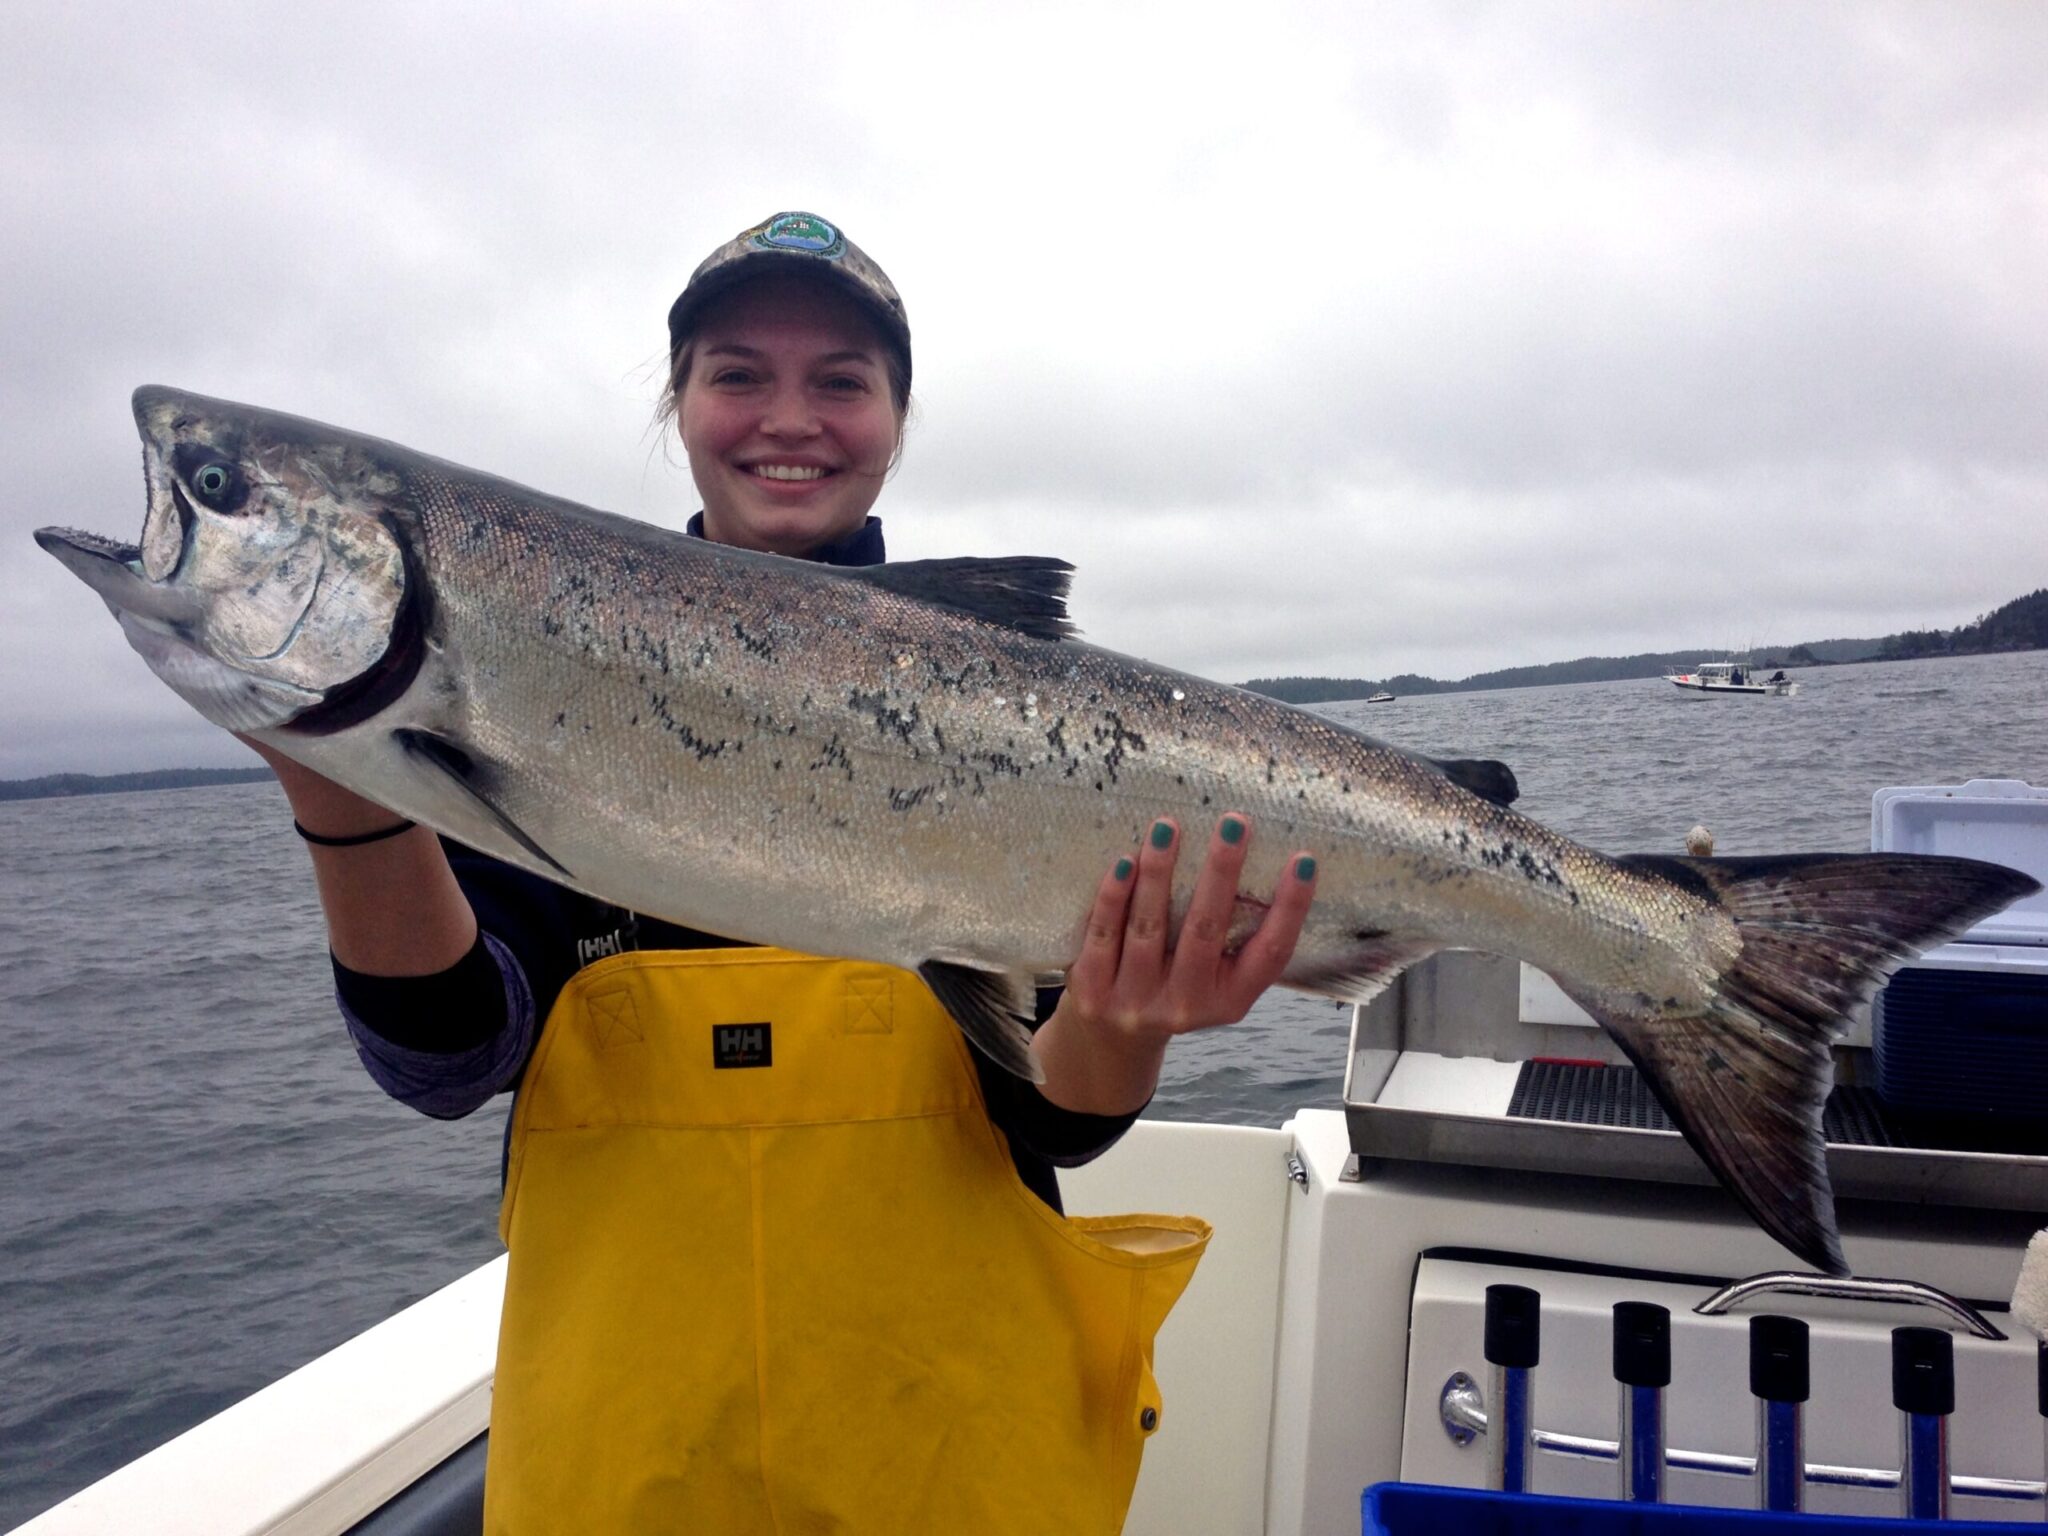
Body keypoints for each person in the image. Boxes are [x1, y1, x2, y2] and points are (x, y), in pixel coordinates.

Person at [244, 211, 1318, 1533]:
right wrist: (342, 796)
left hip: (959, 1474)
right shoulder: (542, 686)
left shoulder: (1029, 730)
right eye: (738, 373)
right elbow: (447, 1062)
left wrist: (1126, 1017)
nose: (787, 418)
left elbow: (1058, 1117)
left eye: (841, 380)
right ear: (680, 403)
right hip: (625, 1483)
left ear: (898, 417)